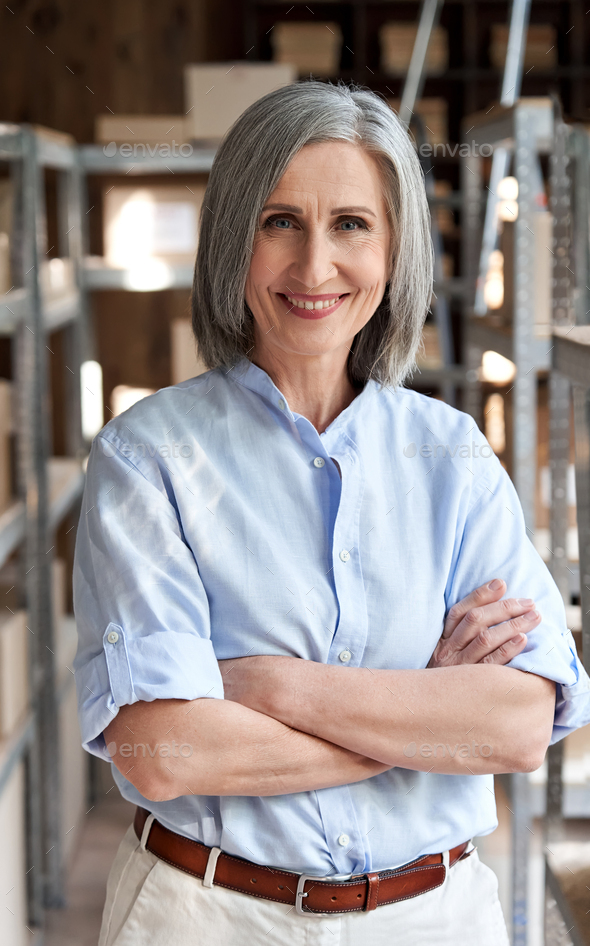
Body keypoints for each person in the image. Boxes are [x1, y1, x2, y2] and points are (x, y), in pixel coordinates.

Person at [73, 81, 590, 946]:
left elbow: (517, 723)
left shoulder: (453, 455)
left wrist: (265, 685)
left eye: (351, 224)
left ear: (393, 250)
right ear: (234, 239)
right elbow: (162, 754)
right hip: (209, 915)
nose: (314, 268)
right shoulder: (147, 457)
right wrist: (426, 713)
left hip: (435, 919)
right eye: (279, 222)